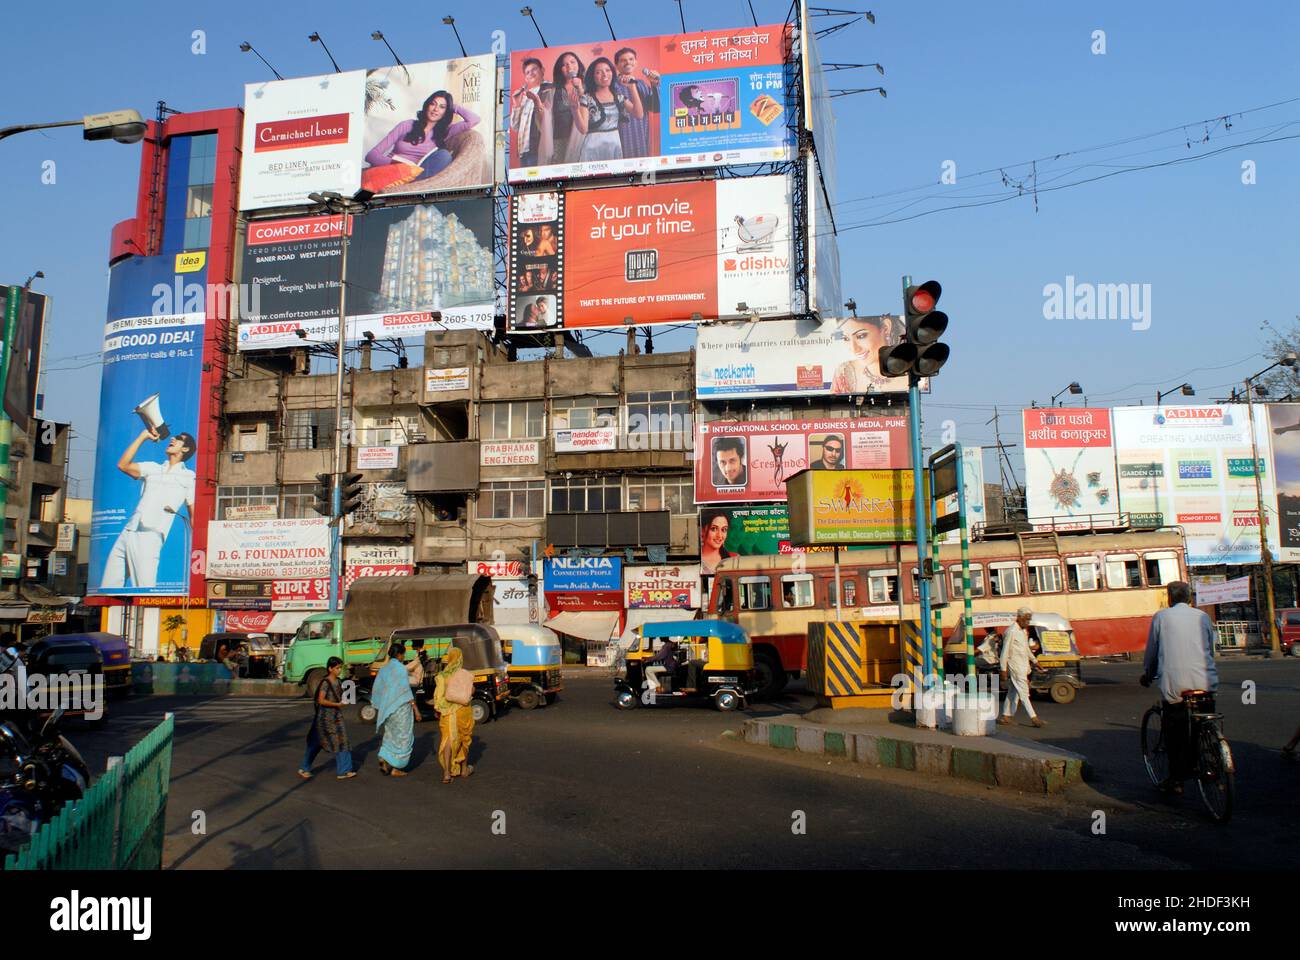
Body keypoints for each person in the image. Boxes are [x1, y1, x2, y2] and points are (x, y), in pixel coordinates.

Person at [1140, 581, 1219, 793]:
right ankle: (1211, 759)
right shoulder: (1202, 617)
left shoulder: (1161, 617)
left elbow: (1152, 652)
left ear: (1170, 598)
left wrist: (1147, 674)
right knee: (1205, 723)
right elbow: (1210, 649)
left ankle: (1176, 781)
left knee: (1175, 733)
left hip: (1176, 685)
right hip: (1205, 682)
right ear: (1190, 598)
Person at [100, 427, 196, 589]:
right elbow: (123, 465)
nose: (172, 438)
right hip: (128, 532)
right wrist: (143, 436)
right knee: (108, 589)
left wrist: (199, 545)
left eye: (178, 438)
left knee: (145, 592)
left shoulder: (189, 477)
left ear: (185, 449)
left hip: (150, 536)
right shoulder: (152, 468)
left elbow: (194, 515)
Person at [362, 91, 479, 193]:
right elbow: (371, 155)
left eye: (442, 107)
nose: (436, 109)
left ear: (446, 111)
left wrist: (453, 106)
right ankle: (399, 187)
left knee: (444, 156)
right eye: (433, 104)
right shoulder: (406, 125)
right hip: (392, 171)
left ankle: (409, 188)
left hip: (416, 177)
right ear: (427, 105)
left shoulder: (445, 132)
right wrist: (399, 166)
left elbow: (474, 119)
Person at [574, 57, 644, 163]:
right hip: (593, 147)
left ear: (612, 73)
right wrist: (574, 109)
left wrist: (632, 88)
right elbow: (583, 129)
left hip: (614, 145)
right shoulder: (587, 98)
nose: (604, 75)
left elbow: (639, 114)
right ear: (592, 76)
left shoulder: (618, 97)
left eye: (607, 70)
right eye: (598, 72)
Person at [299, 657, 355, 780]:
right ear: (330, 668)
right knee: (316, 743)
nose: (339, 670)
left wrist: (344, 701)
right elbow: (321, 700)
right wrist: (337, 704)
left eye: (340, 668)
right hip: (324, 718)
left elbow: (340, 696)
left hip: (336, 716)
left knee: (342, 740)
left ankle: (344, 770)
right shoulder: (325, 683)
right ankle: (304, 767)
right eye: (337, 668)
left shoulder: (339, 682)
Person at [373, 642, 419, 778]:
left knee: (390, 734)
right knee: (403, 737)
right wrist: (415, 708)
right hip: (401, 709)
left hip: (388, 709)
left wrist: (382, 705)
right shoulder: (400, 669)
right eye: (403, 654)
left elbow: (378, 689)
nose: (404, 657)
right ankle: (396, 767)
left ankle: (383, 757)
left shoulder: (384, 669)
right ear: (399, 655)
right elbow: (405, 690)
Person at [831, 316, 906, 394]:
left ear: (885, 328)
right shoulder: (843, 374)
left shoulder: (912, 374)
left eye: (861, 336)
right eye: (846, 338)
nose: (854, 349)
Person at [434, 647, 474, 783]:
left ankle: (446, 773)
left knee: (448, 740)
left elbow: (438, 697)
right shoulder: (464, 674)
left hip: (447, 713)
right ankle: (464, 769)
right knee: (464, 738)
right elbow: (471, 691)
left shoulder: (441, 676)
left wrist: (439, 709)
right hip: (463, 710)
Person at [998, 608, 1043, 727]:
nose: (1028, 622)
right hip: (1015, 666)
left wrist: (1034, 661)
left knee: (1013, 692)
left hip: (1023, 666)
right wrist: (1003, 669)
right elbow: (1005, 651)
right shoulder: (1011, 631)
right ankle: (1034, 718)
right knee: (1023, 693)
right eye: (1026, 619)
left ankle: (1006, 716)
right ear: (1019, 617)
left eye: (1029, 620)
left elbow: (1026, 649)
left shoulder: (1023, 631)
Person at [613, 46, 660, 158]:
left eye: (631, 59)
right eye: (623, 60)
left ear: (636, 62)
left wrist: (654, 85)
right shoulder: (612, 85)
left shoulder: (641, 84)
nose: (628, 62)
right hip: (622, 135)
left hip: (642, 134)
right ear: (616, 65)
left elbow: (655, 108)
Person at [510, 57, 552, 167]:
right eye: (527, 72)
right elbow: (515, 127)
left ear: (542, 70)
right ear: (525, 78)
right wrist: (516, 104)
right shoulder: (524, 97)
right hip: (524, 152)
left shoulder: (550, 89)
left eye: (534, 69)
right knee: (529, 183)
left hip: (540, 149)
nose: (531, 73)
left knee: (543, 183)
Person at [549, 51, 587, 164]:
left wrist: (580, 87)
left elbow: (591, 107)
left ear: (578, 64)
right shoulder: (554, 90)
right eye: (564, 64)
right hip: (559, 141)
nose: (569, 66)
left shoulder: (589, 85)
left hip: (583, 140)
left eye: (572, 62)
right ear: (560, 69)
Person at [699, 510, 731, 575]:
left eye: (724, 530)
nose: (719, 535)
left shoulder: (733, 559)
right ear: (702, 530)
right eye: (714, 529)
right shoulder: (695, 560)